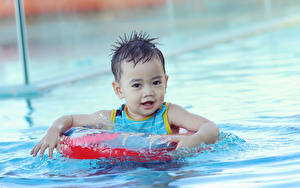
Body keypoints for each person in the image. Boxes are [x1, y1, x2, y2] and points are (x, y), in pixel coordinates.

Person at [30, 31, 219, 159]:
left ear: (166, 82)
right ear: (119, 90)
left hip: (165, 165)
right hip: (125, 166)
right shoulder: (110, 119)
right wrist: (53, 130)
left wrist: (195, 140)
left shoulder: (170, 114)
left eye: (156, 82)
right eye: (137, 85)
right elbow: (70, 119)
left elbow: (209, 127)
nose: (148, 92)